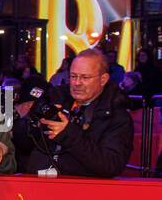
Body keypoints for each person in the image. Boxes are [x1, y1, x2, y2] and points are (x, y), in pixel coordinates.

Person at [12, 49, 133, 178]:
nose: (77, 83)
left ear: (103, 79)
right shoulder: (55, 97)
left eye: (85, 77)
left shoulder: (116, 116)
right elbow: (22, 145)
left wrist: (68, 133)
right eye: (73, 76)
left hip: (82, 192)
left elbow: (110, 165)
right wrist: (33, 124)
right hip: (39, 185)